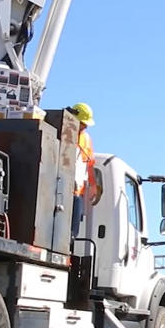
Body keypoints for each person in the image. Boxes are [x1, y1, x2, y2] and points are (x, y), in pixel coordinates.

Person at [68, 102, 96, 239]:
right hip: (62, 191)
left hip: (77, 193)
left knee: (72, 235)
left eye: (86, 124)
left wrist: (94, 185)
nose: (85, 126)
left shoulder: (86, 139)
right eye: (83, 123)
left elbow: (90, 164)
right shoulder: (64, 132)